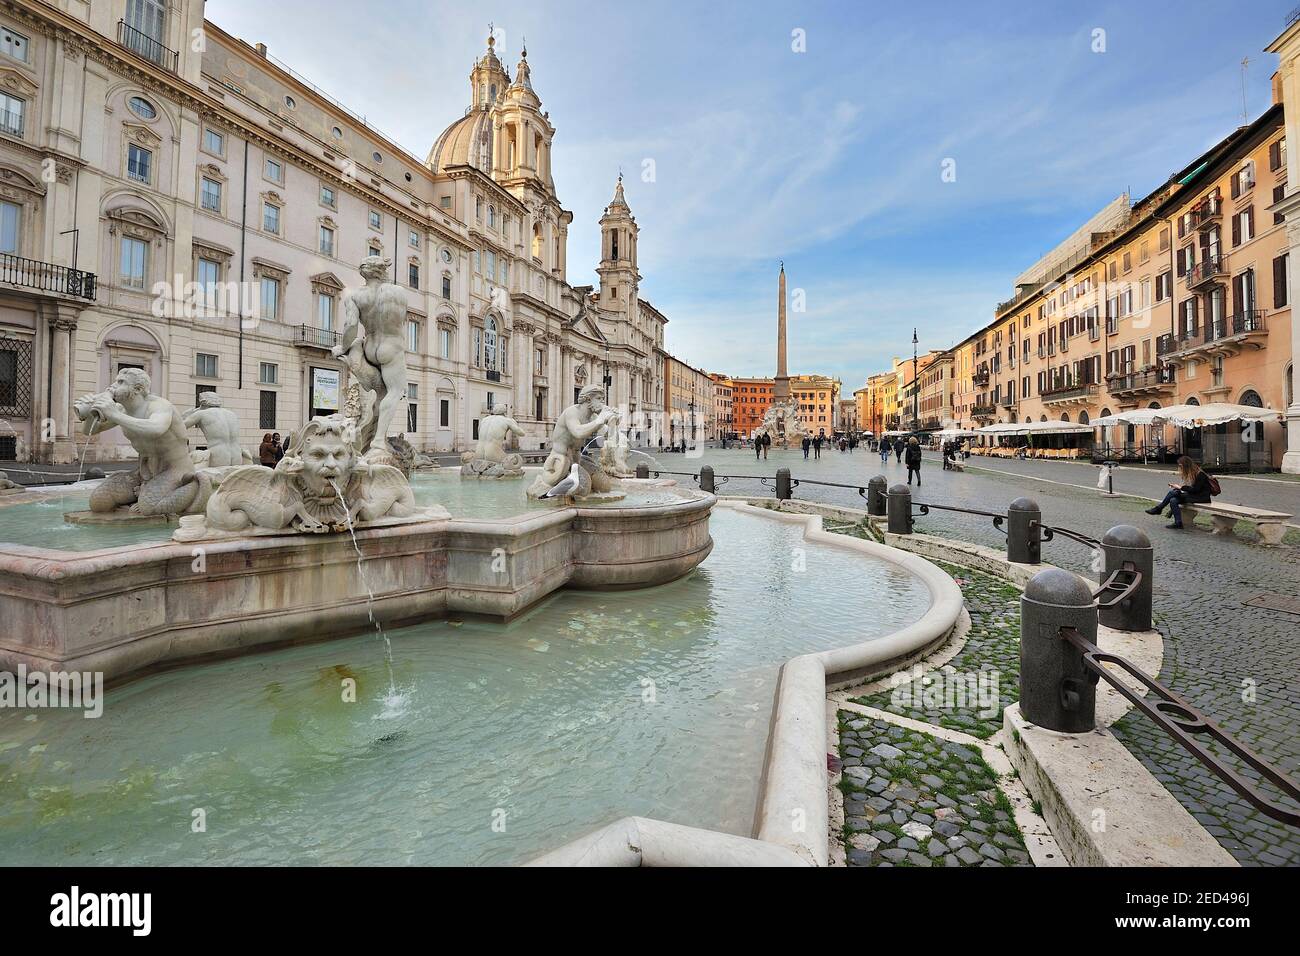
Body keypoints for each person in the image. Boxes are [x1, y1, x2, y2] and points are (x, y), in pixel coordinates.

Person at [1146, 455, 1213, 529]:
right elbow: (1188, 489)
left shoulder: (1200, 474)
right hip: (1193, 496)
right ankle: (1178, 523)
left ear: (1186, 465)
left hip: (1201, 497)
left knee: (1173, 493)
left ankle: (1159, 508)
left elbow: (1195, 490)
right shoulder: (1190, 474)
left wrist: (1180, 487)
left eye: (1181, 466)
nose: (1180, 468)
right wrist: (1178, 487)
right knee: (1173, 500)